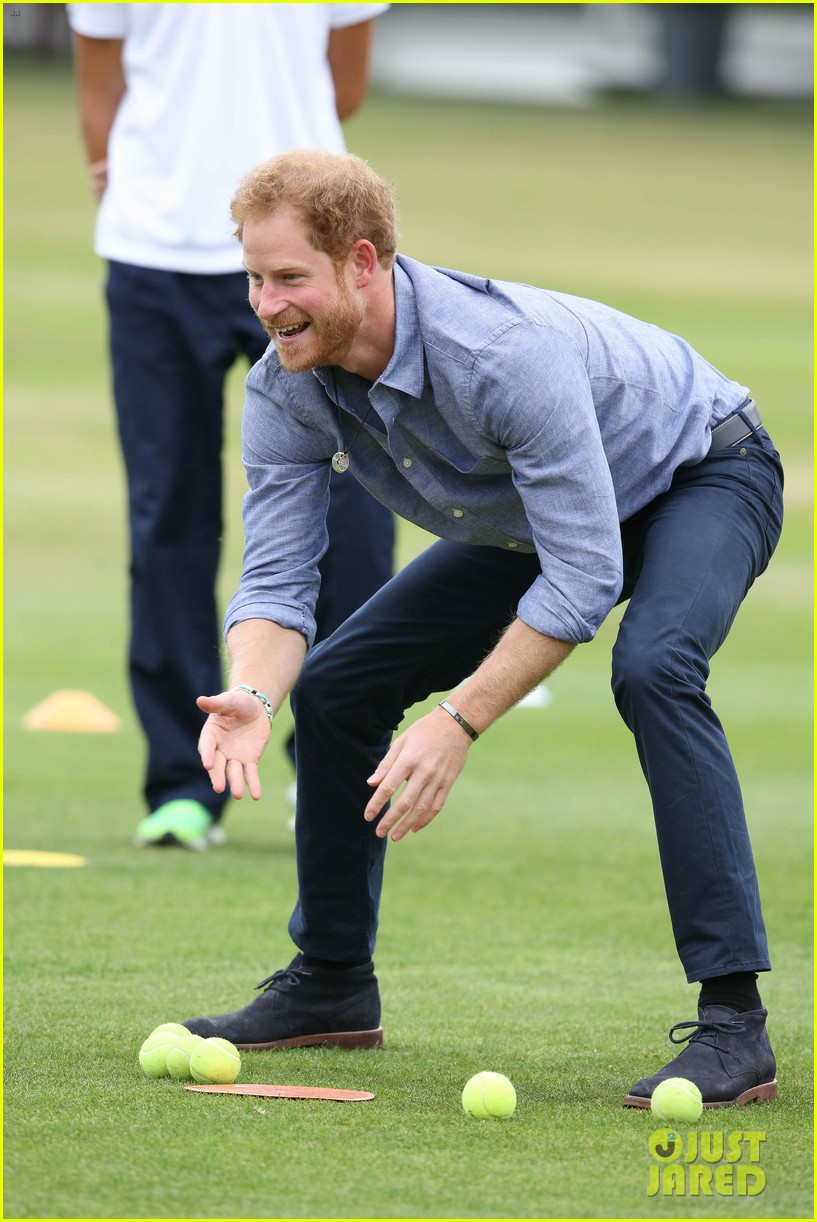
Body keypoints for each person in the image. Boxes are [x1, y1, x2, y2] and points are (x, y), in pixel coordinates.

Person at [181, 150, 783, 1107]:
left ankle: (732, 1026)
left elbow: (583, 576)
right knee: (336, 688)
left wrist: (456, 720)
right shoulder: (286, 386)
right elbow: (277, 582)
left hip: (699, 471)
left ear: (363, 264)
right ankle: (331, 982)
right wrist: (253, 693)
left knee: (655, 669)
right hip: (537, 515)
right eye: (254, 278)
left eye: (289, 277)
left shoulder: (499, 357)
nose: (265, 303)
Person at [67, 3, 394, 851]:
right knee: (168, 512)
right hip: (152, 253)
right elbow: (98, 86)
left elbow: (343, 83)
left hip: (301, 258)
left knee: (351, 498)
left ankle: (333, 762)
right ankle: (185, 779)